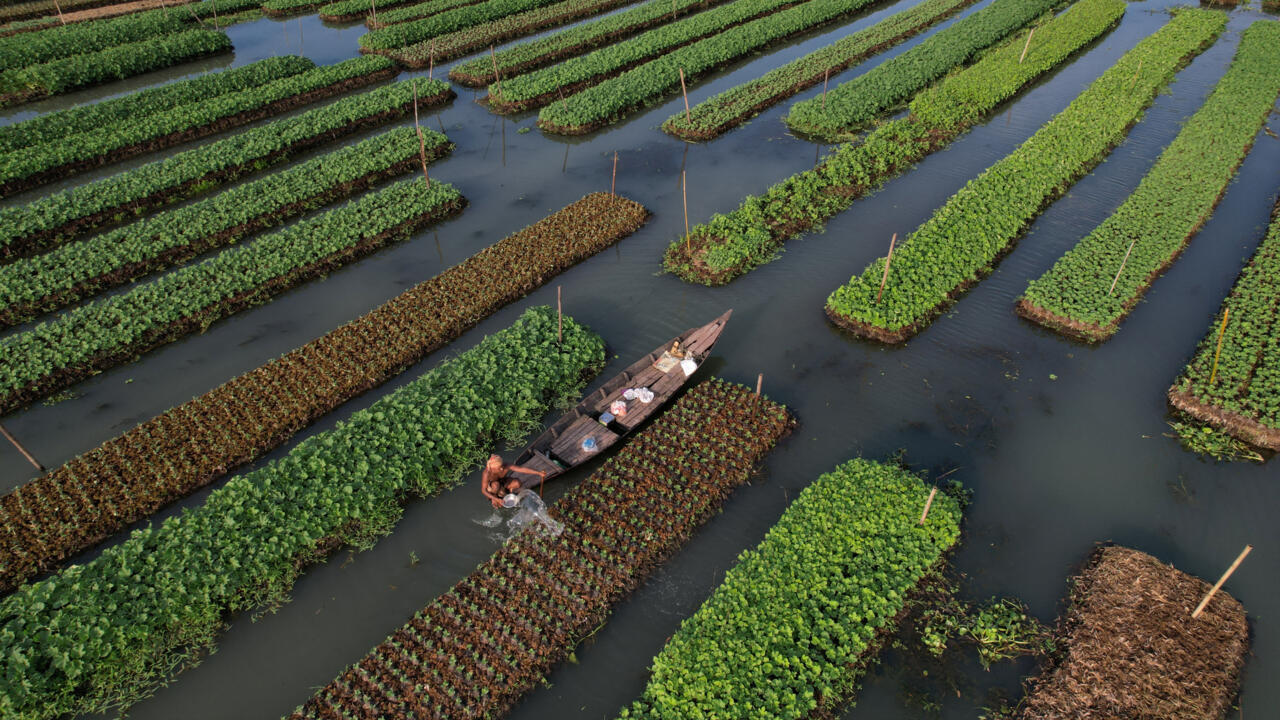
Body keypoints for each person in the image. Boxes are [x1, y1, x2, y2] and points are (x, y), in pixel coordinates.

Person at [480, 454, 548, 508]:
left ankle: (507, 492)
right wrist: (496, 499)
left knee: (517, 483)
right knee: (495, 485)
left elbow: (521, 469)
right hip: (492, 488)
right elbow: (483, 490)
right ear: (492, 468)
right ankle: (494, 498)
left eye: (501, 466)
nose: (501, 469)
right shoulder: (487, 473)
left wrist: (538, 473)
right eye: (498, 468)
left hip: (502, 482)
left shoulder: (506, 466)